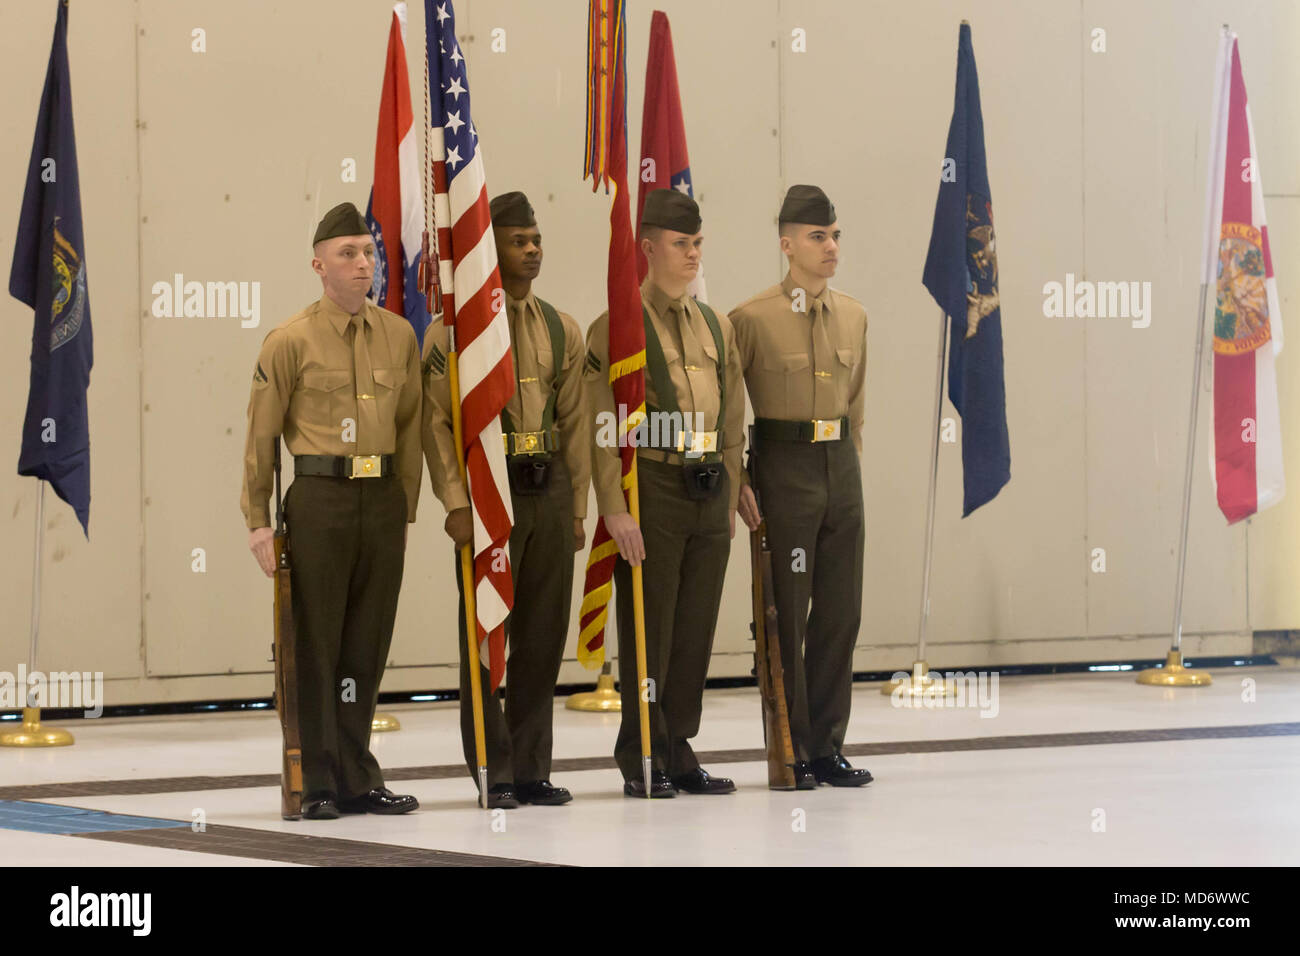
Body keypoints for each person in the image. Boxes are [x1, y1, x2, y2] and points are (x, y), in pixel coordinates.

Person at [241, 201, 423, 819]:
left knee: (367, 644)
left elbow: (411, 424)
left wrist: (405, 503)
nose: (362, 263)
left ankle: (357, 773)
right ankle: (316, 776)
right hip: (319, 498)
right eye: (347, 253)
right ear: (318, 265)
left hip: (381, 499)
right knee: (316, 643)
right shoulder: (290, 340)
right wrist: (259, 520)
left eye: (368, 251)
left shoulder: (399, 334)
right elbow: (261, 435)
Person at [421, 192, 589, 808]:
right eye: (519, 241)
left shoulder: (560, 327)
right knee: (487, 633)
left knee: (542, 639)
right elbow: (436, 423)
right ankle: (493, 767)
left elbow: (575, 421)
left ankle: (533, 769)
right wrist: (455, 501)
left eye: (536, 239)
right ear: (491, 248)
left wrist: (576, 509)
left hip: (548, 490)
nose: (533, 250)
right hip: (492, 495)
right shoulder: (457, 331)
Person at [585, 189, 744, 797]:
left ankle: (679, 748)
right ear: (648, 248)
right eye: (681, 244)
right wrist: (616, 509)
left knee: (695, 625)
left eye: (698, 243)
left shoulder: (715, 323)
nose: (692, 255)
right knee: (651, 626)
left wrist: (730, 493)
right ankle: (642, 752)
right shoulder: (619, 328)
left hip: (707, 484)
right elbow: (603, 430)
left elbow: (732, 415)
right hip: (652, 483)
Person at [730, 184, 873, 789]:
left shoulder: (854, 315)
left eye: (836, 235)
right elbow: (729, 407)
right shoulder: (750, 318)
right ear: (787, 244)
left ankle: (827, 746)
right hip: (782, 466)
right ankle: (788, 747)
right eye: (818, 236)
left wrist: (848, 466)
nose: (831, 246)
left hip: (839, 465)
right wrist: (738, 476)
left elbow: (857, 403)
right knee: (785, 616)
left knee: (841, 612)